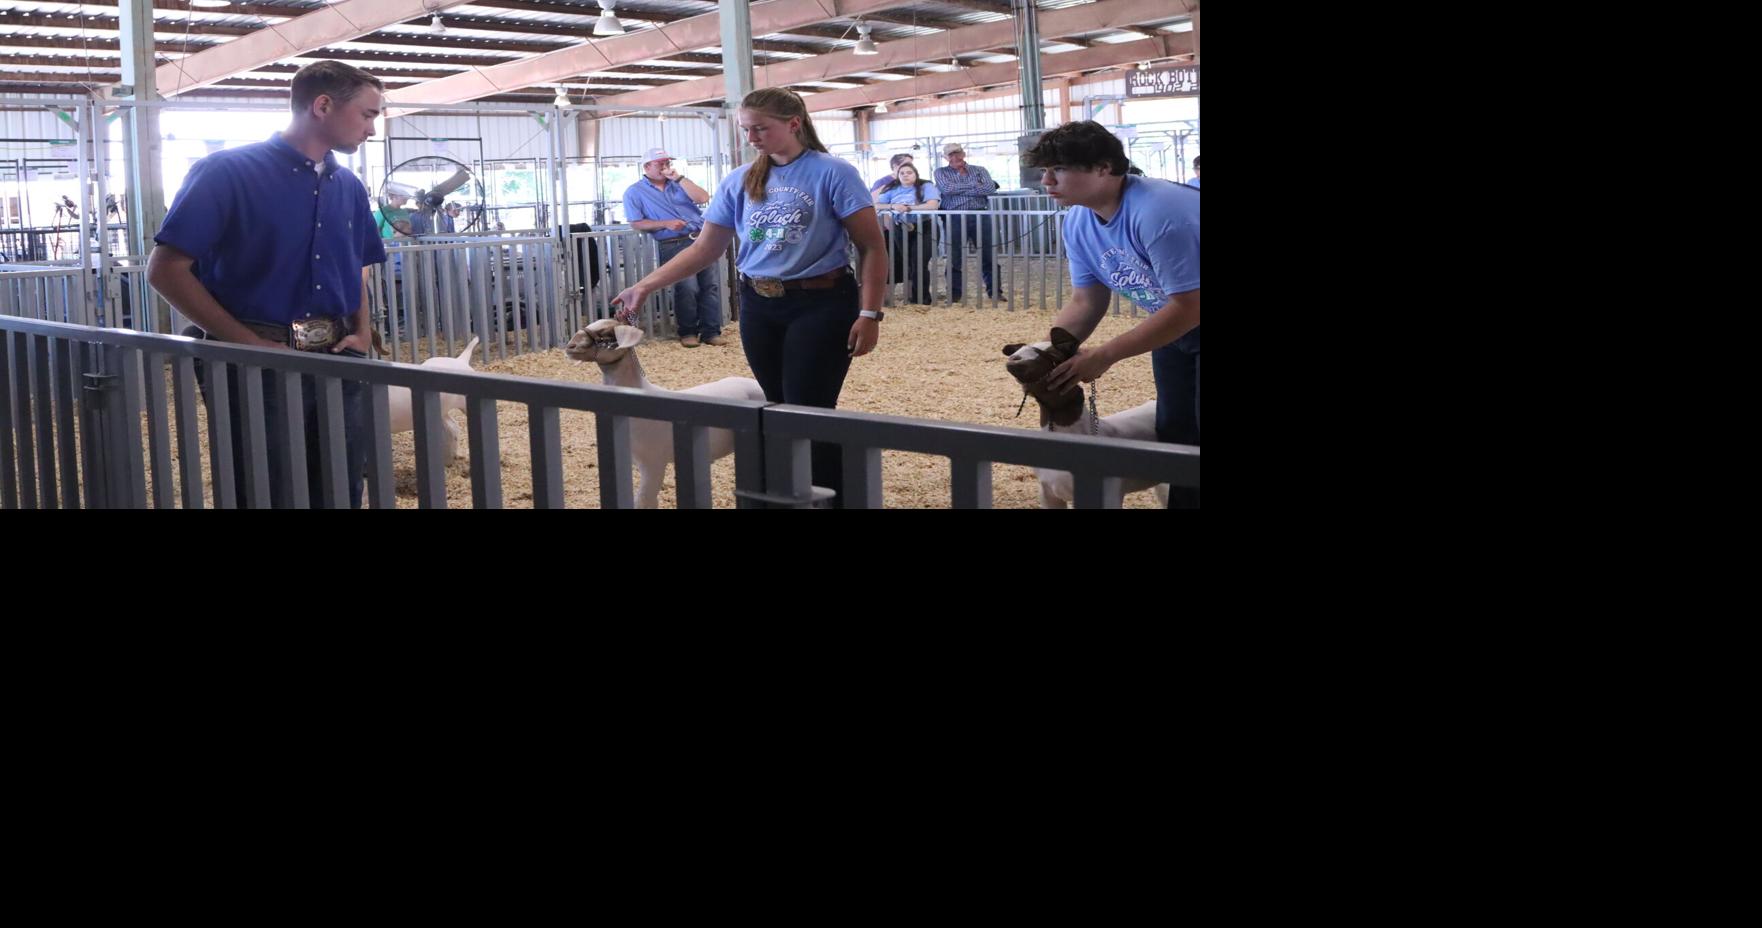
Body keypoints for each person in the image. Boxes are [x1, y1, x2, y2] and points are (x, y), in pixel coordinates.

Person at [610, 88, 887, 507]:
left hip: (821, 301)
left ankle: (835, 497)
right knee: (775, 405)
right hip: (759, 304)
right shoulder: (739, 179)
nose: (752, 137)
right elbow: (706, 248)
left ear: (794, 123)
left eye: (761, 128)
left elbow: (871, 245)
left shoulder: (833, 172)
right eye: (746, 130)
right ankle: (785, 495)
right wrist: (646, 284)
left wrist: (870, 312)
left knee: (808, 408)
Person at [147, 60, 387, 508]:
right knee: (265, 487)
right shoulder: (226, 172)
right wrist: (245, 343)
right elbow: (165, 269)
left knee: (341, 484)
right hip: (258, 361)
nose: (372, 129)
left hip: (339, 356)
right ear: (322, 105)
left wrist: (362, 330)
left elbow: (358, 266)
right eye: (368, 114)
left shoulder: (349, 185)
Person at [1027, 120, 1200, 509]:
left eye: (1060, 169)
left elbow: (1191, 304)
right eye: (1044, 171)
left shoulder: (1160, 212)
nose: (1047, 181)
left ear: (1104, 168)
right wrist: (1047, 352)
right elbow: (1086, 300)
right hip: (1175, 327)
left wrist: (1105, 354)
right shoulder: (1078, 221)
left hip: (1186, 315)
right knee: (1176, 434)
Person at [621, 147, 722, 346]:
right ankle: (688, 332)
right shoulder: (634, 192)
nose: (665, 167)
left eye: (667, 162)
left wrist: (679, 178)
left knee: (709, 286)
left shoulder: (679, 184)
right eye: (660, 163)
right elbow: (636, 222)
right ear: (647, 166)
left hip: (701, 237)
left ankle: (711, 331)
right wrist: (665, 223)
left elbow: (703, 198)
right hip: (673, 242)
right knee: (687, 286)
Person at [932, 141, 1002, 302]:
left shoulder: (980, 169)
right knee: (954, 256)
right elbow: (947, 189)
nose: (955, 156)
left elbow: (990, 188)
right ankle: (954, 294)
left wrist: (960, 187)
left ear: (963, 153)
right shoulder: (940, 172)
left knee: (989, 254)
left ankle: (995, 292)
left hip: (980, 214)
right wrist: (976, 186)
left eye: (957, 152)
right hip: (954, 216)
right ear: (945, 157)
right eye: (950, 154)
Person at [873, 162, 940, 304]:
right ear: (897, 175)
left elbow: (933, 205)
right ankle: (915, 297)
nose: (905, 175)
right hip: (900, 226)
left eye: (909, 172)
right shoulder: (891, 188)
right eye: (902, 173)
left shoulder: (926, 186)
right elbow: (877, 204)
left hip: (923, 226)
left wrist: (911, 208)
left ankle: (922, 298)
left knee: (919, 261)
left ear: (916, 174)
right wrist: (893, 206)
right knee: (909, 262)